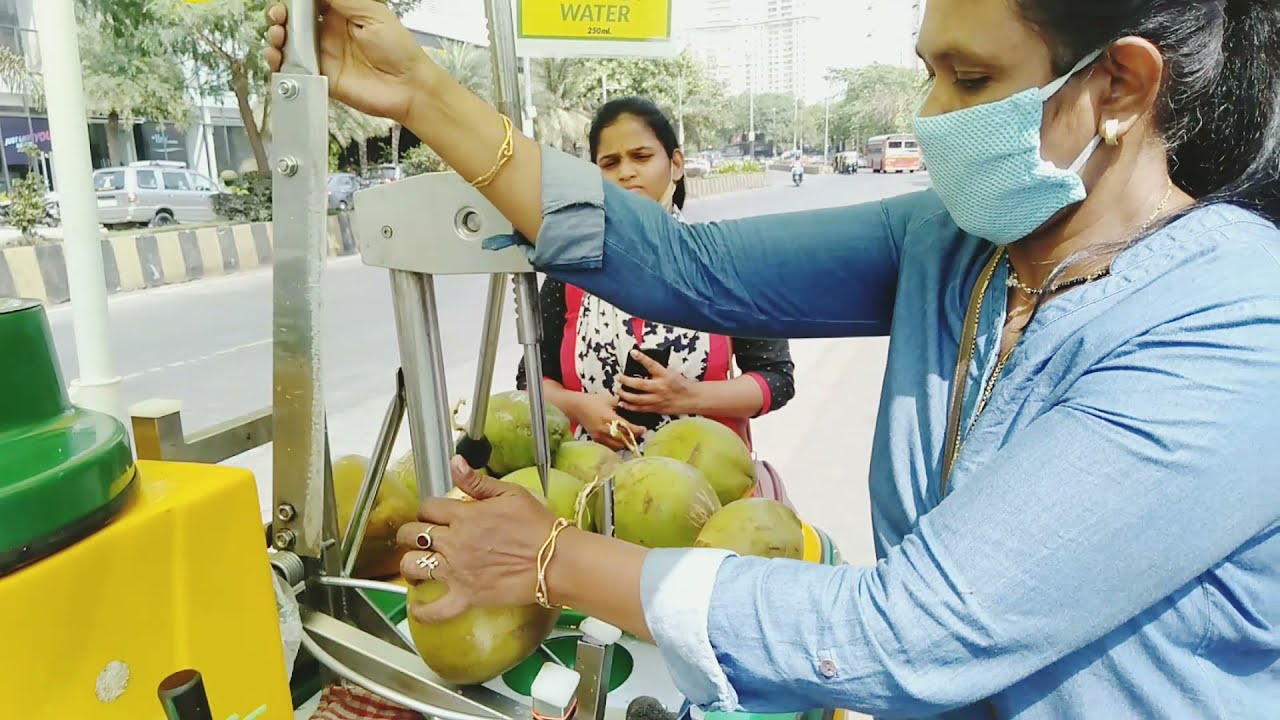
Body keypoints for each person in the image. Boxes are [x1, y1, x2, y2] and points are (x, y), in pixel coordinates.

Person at [266, 1, 1280, 717]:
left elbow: (912, 634)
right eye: (928, 68)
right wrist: (423, 92)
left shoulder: (1230, 328)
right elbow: (679, 261)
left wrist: (549, 560)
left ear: (1118, 83)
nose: (929, 114)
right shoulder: (952, 249)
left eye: (970, 78)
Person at [514, 96, 796, 454]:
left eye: (641, 157)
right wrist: (580, 408)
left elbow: (776, 379)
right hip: (593, 489)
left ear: (676, 164)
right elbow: (532, 380)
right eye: (610, 162)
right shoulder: (571, 273)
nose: (626, 172)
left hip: (707, 491)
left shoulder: (728, 262)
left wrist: (688, 397)